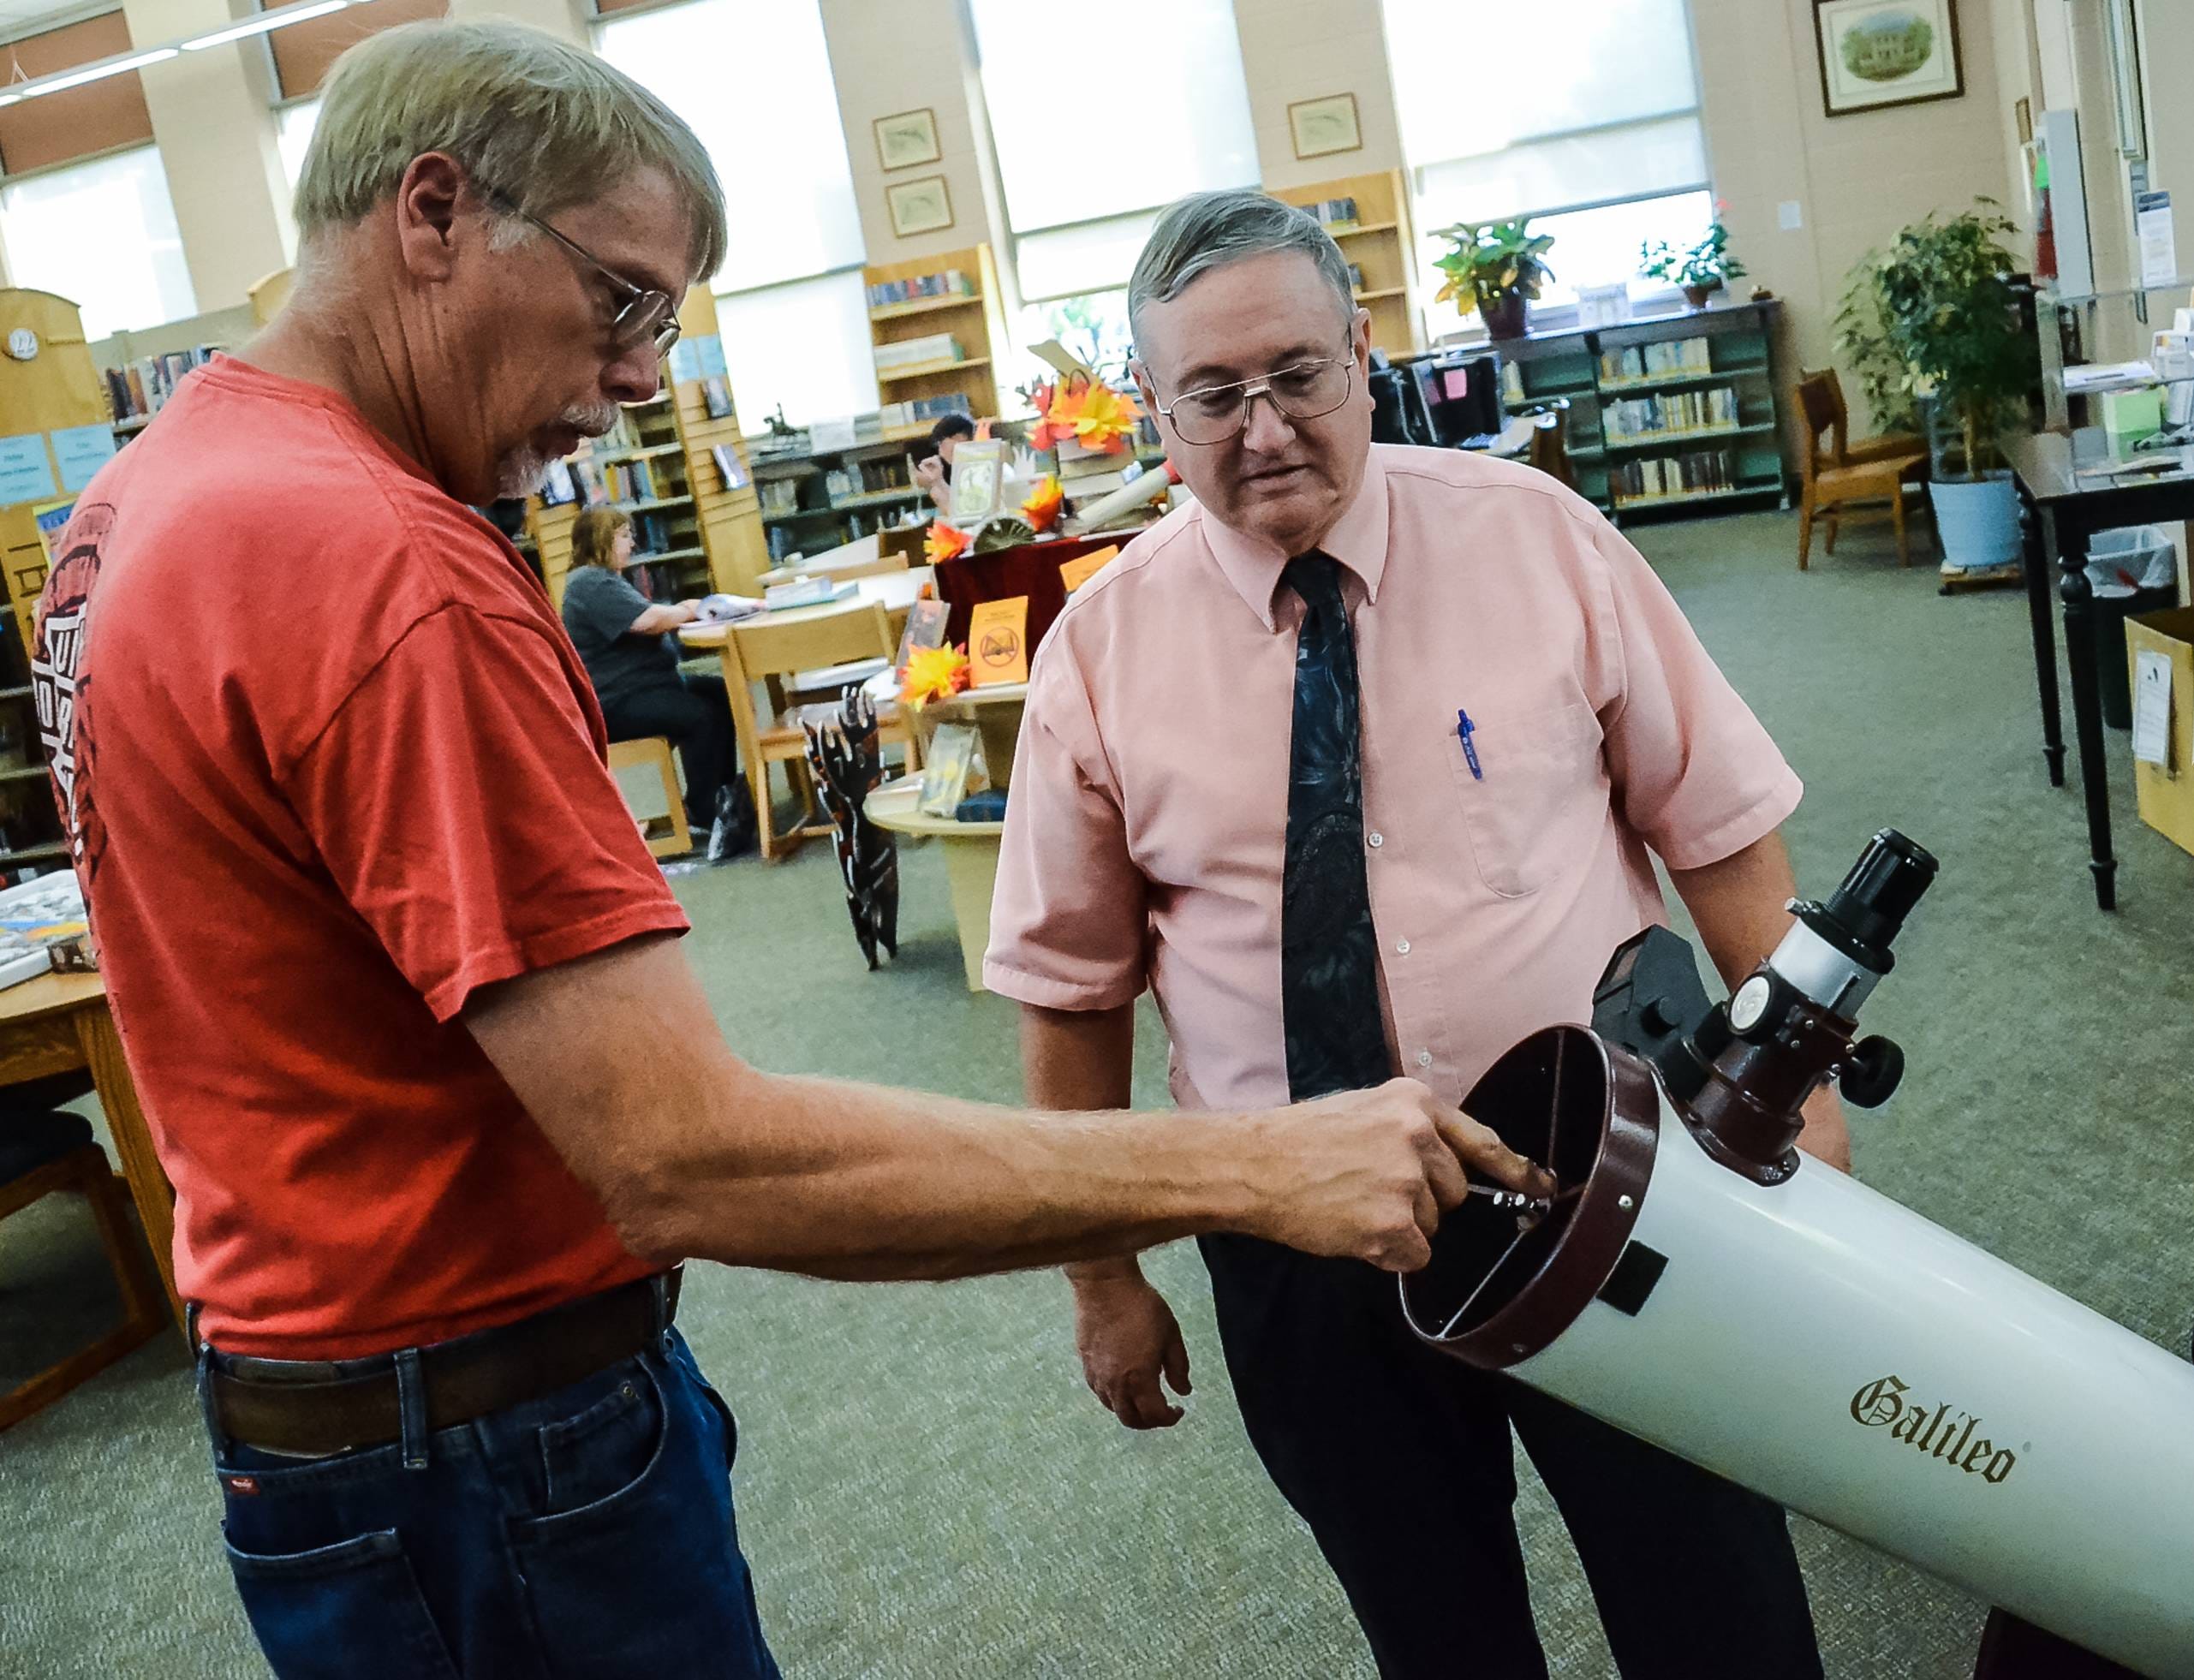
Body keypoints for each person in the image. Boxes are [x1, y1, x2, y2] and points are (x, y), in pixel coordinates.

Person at [31, 27, 1541, 1678]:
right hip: (485, 1438)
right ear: (437, 213)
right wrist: (1264, 1165)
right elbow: (690, 1152)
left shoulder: (130, 511)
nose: (636, 377)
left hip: (315, 1417)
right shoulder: (392, 568)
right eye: (622, 301)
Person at [985, 188, 1836, 1680]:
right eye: (1214, 393)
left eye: (1298, 373)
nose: (1264, 426)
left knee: (1720, 1609)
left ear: (1364, 353)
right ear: (1153, 410)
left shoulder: (1540, 540)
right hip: (1303, 1233)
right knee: (1437, 1633)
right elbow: (1072, 990)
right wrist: (1102, 1274)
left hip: (1607, 1176)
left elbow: (1717, 835)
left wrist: (1806, 1130)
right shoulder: (1097, 658)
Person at [558, 503, 747, 855]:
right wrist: (689, 609)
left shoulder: (604, 580)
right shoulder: (590, 582)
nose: (631, 544)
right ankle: (706, 808)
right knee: (698, 716)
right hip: (617, 700)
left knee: (718, 692)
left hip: (643, 687)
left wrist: (684, 611)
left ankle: (720, 794)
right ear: (602, 539)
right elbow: (647, 621)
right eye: (624, 536)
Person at [908, 411, 977, 515]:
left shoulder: (979, 471)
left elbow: (967, 513)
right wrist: (936, 482)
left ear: (960, 437)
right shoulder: (943, 474)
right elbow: (952, 514)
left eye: (941, 442)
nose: (940, 451)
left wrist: (939, 482)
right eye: (938, 445)